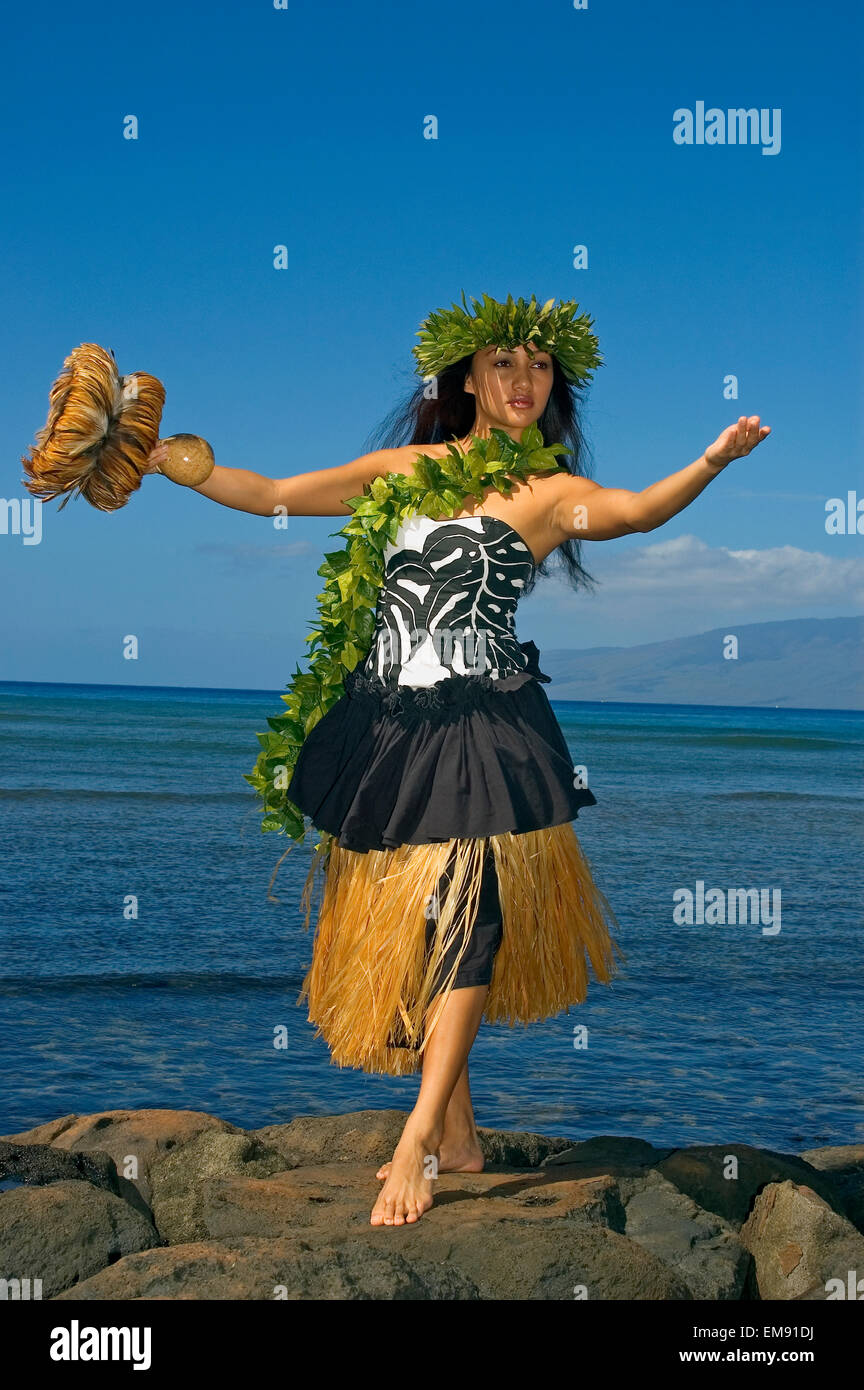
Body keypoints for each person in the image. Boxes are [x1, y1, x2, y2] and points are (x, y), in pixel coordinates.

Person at [146, 293, 770, 1229]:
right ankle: (466, 1136)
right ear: (466, 379)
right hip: (385, 723)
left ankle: (418, 1141)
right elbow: (275, 494)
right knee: (417, 928)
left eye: (541, 367)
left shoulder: (552, 495)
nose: (523, 382)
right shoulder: (403, 471)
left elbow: (637, 512)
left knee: (466, 914)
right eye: (504, 364)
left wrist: (711, 463)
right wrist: (174, 466)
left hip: (485, 724)